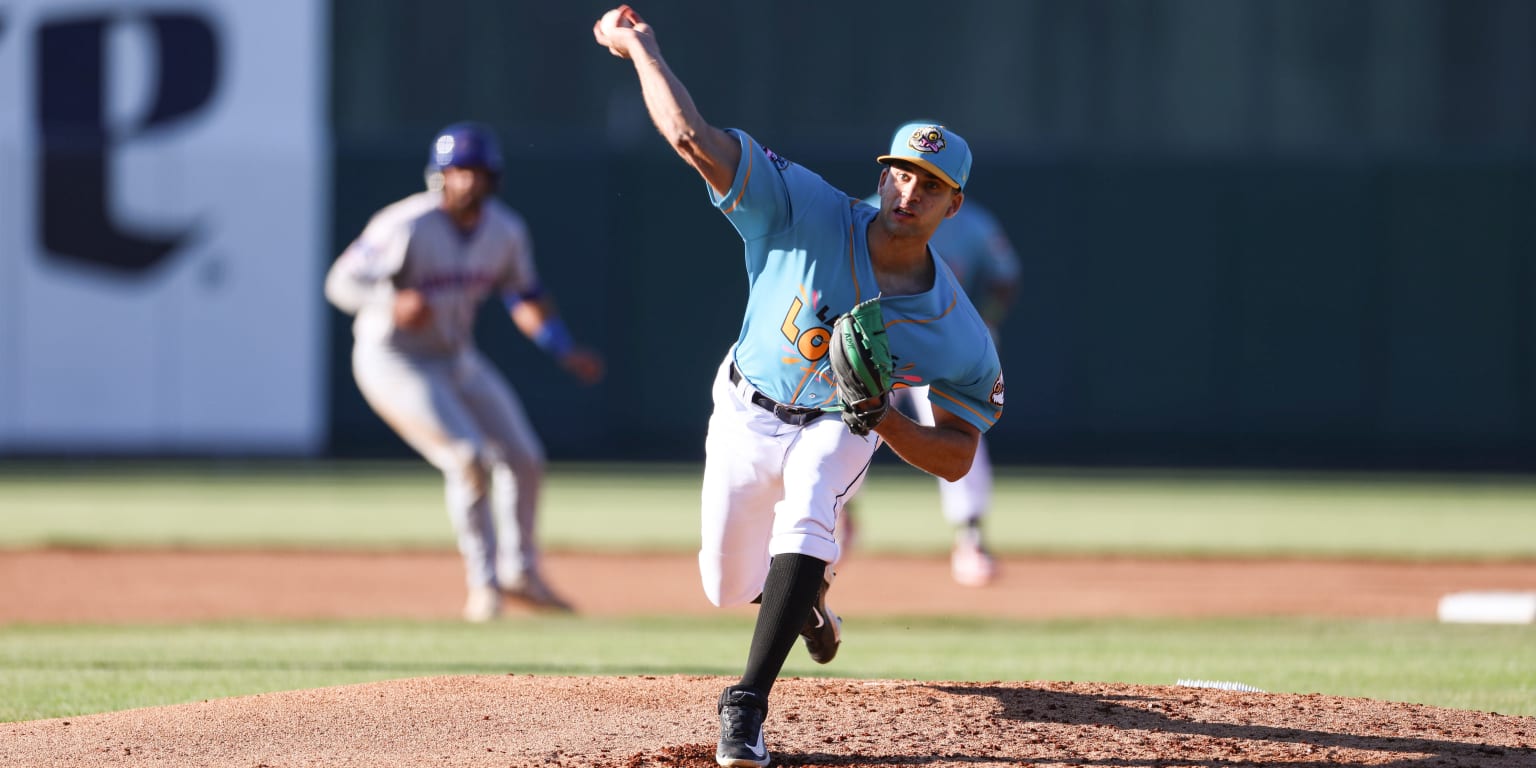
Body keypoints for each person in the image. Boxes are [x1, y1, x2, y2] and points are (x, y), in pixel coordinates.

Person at [593, 7, 1004, 767]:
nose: (910, 190)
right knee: (724, 586)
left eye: (931, 184)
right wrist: (641, 47)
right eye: (902, 172)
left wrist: (883, 419)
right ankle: (804, 602)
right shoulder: (805, 207)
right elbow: (692, 139)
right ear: (882, 175)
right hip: (744, 405)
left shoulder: (957, 330)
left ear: (954, 205)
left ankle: (746, 704)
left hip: (840, 422)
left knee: (814, 497)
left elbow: (956, 456)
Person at [324, 121, 604, 622]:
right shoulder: (406, 223)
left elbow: (524, 295)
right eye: (457, 171)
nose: (467, 181)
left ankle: (521, 573)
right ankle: (484, 587)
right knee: (467, 456)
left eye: (476, 171)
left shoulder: (505, 230)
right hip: (394, 358)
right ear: (439, 175)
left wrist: (562, 348)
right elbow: (340, 283)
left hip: (457, 358)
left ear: (492, 177)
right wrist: (388, 301)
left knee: (524, 457)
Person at [845, 195, 1021, 587]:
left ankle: (971, 536)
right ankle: (840, 519)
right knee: (845, 429)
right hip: (874, 341)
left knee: (959, 433)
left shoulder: (972, 223)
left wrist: (987, 320)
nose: (915, 190)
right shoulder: (865, 213)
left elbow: (1006, 273)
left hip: (936, 342)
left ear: (952, 197)